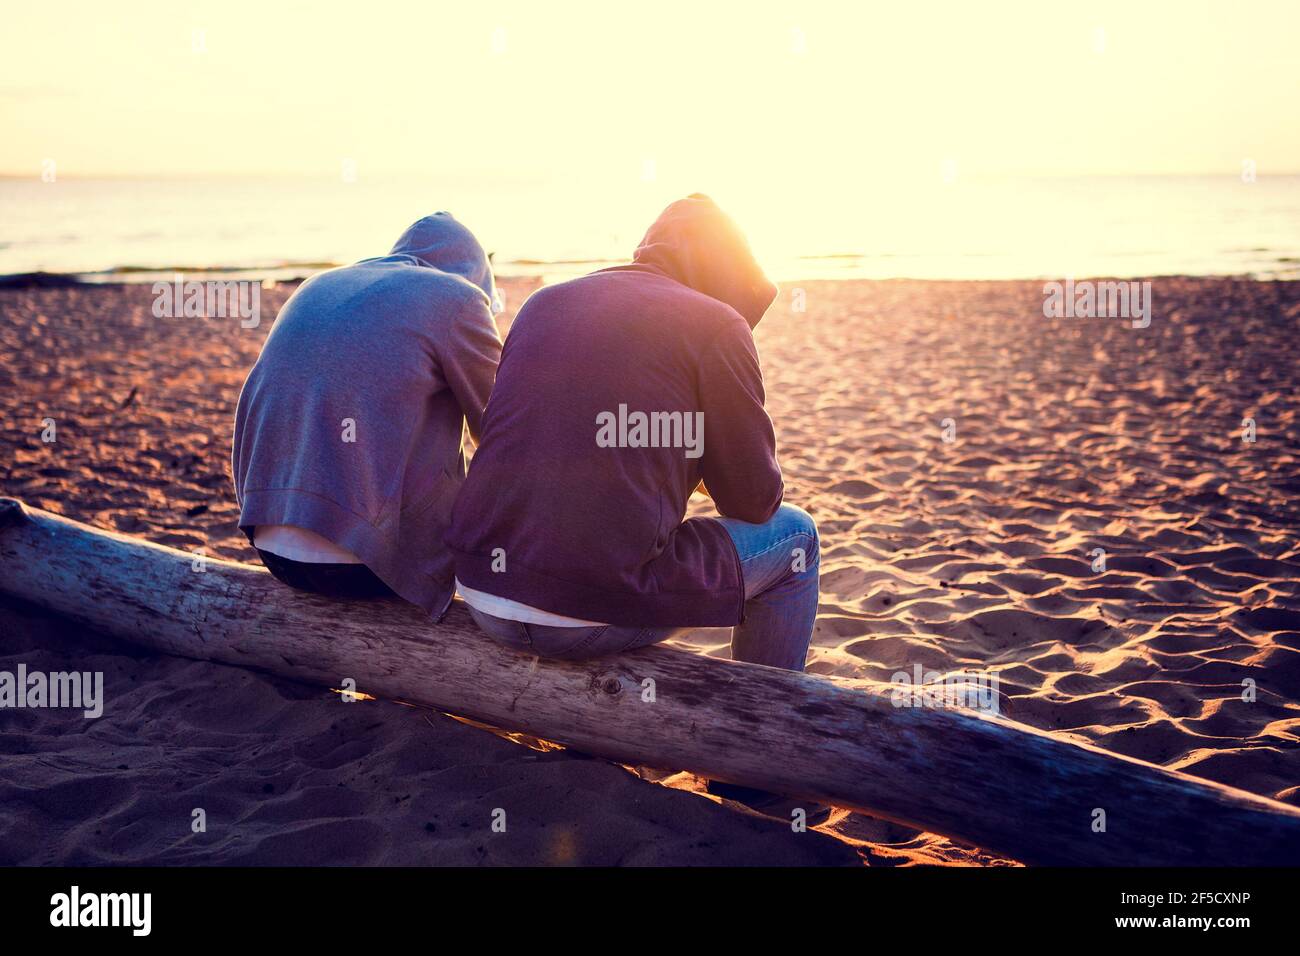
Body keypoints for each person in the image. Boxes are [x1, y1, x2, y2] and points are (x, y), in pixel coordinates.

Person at [446, 194, 820, 672]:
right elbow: (753, 500)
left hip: (482, 589)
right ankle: (773, 708)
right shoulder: (716, 323)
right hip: (586, 613)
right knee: (798, 538)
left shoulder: (544, 302)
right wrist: (702, 455)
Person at [232, 212, 502, 616]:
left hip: (270, 547)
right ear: (473, 274)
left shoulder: (317, 284)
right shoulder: (457, 298)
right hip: (365, 568)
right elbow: (500, 429)